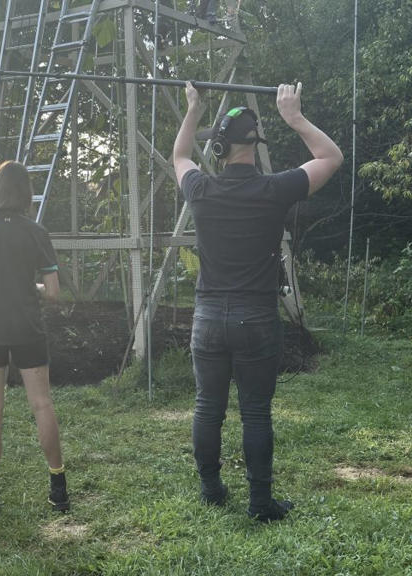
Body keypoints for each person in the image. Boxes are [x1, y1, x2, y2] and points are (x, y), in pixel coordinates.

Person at [172, 82, 343, 521]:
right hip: (257, 318)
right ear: (255, 145)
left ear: (221, 149)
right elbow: (331, 157)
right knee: (255, 413)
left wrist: (193, 110)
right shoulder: (275, 189)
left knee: (208, 407)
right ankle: (260, 502)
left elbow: (180, 156)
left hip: (208, 317)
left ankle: (211, 488)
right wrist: (295, 117)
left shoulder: (201, 191)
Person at [0, 160, 69, 518]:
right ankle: (58, 490)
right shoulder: (36, 232)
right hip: (26, 328)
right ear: (25, 194)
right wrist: (30, 286)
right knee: (42, 405)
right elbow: (52, 293)